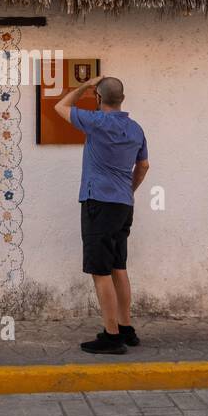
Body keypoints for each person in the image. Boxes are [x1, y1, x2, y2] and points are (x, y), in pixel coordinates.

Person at [53, 74, 150, 354]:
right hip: (123, 205)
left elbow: (59, 107)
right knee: (119, 267)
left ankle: (111, 336)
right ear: (122, 99)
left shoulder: (96, 122)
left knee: (100, 271)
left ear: (98, 99)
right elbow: (143, 166)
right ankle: (126, 327)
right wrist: (128, 191)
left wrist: (83, 86)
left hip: (99, 202)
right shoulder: (136, 129)